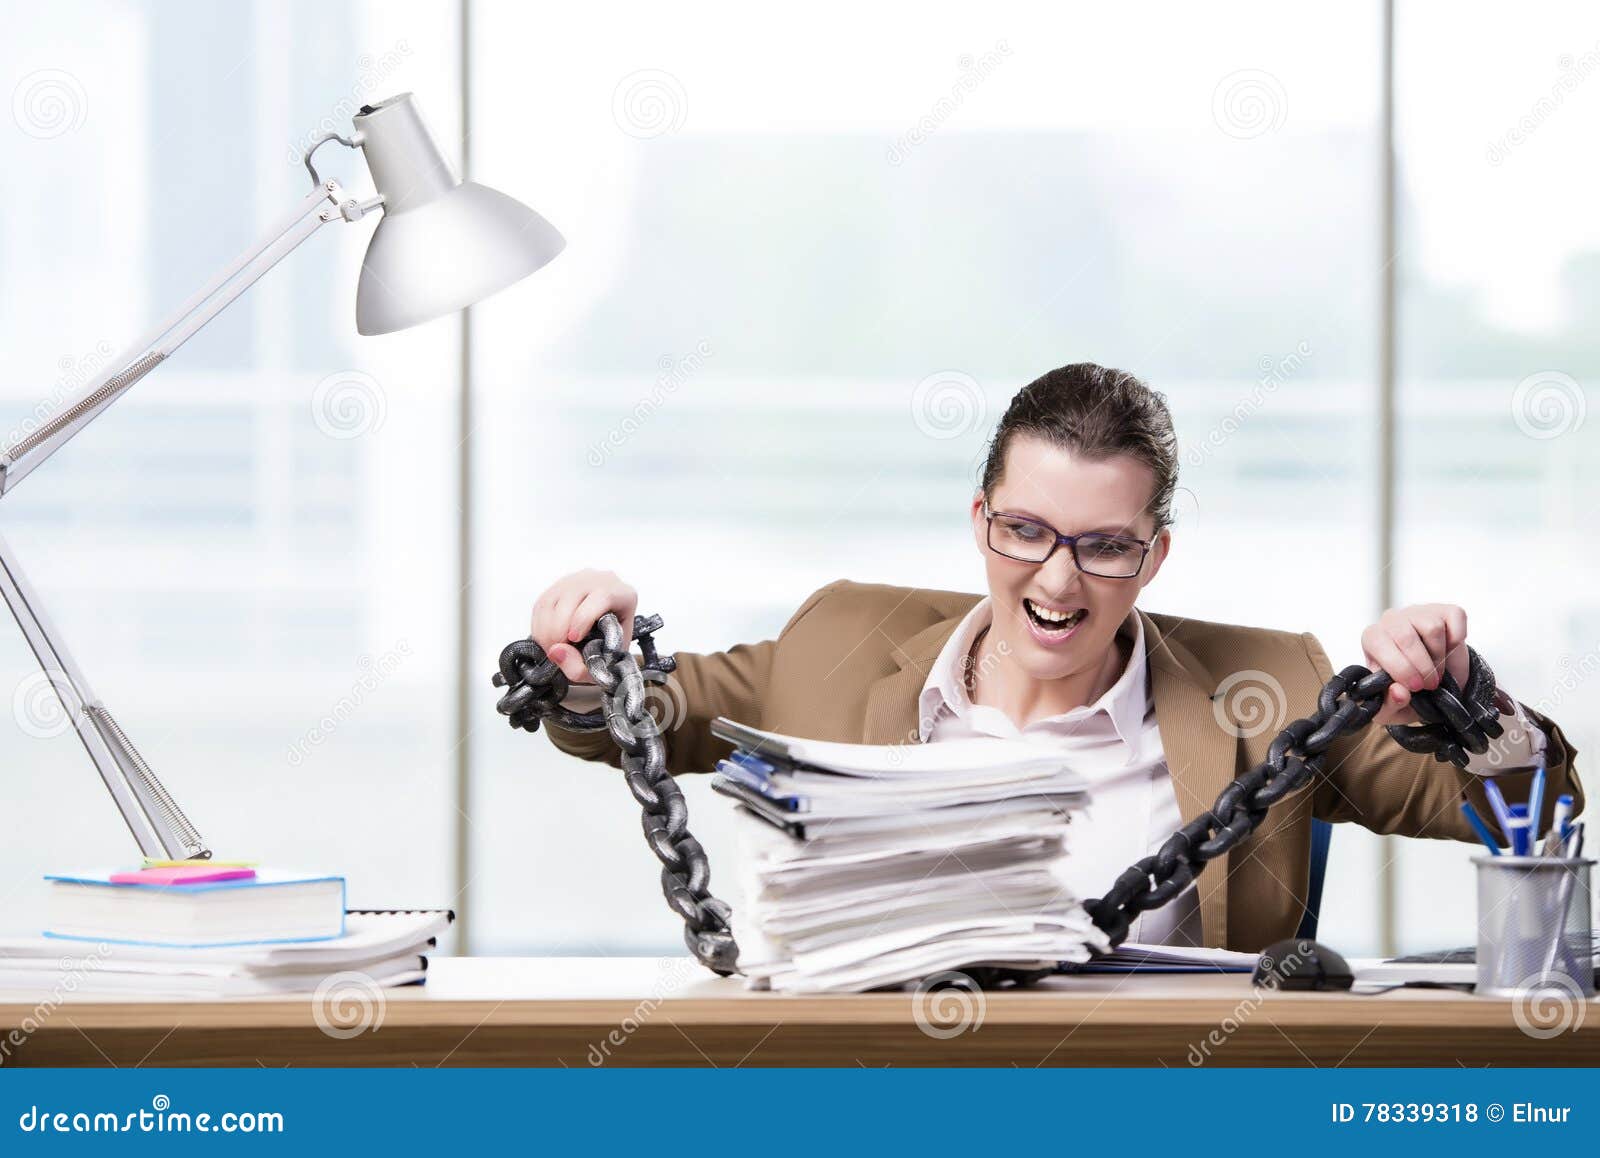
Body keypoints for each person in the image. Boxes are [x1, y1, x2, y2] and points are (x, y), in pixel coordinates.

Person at [527, 362, 1583, 951]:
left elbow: (1531, 811)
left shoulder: (1266, 690)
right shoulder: (839, 640)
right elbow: (631, 720)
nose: (1057, 581)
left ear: (1154, 553)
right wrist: (587, 654)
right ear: (981, 517)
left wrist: (1460, 696)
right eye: (1025, 531)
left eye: (1105, 546)